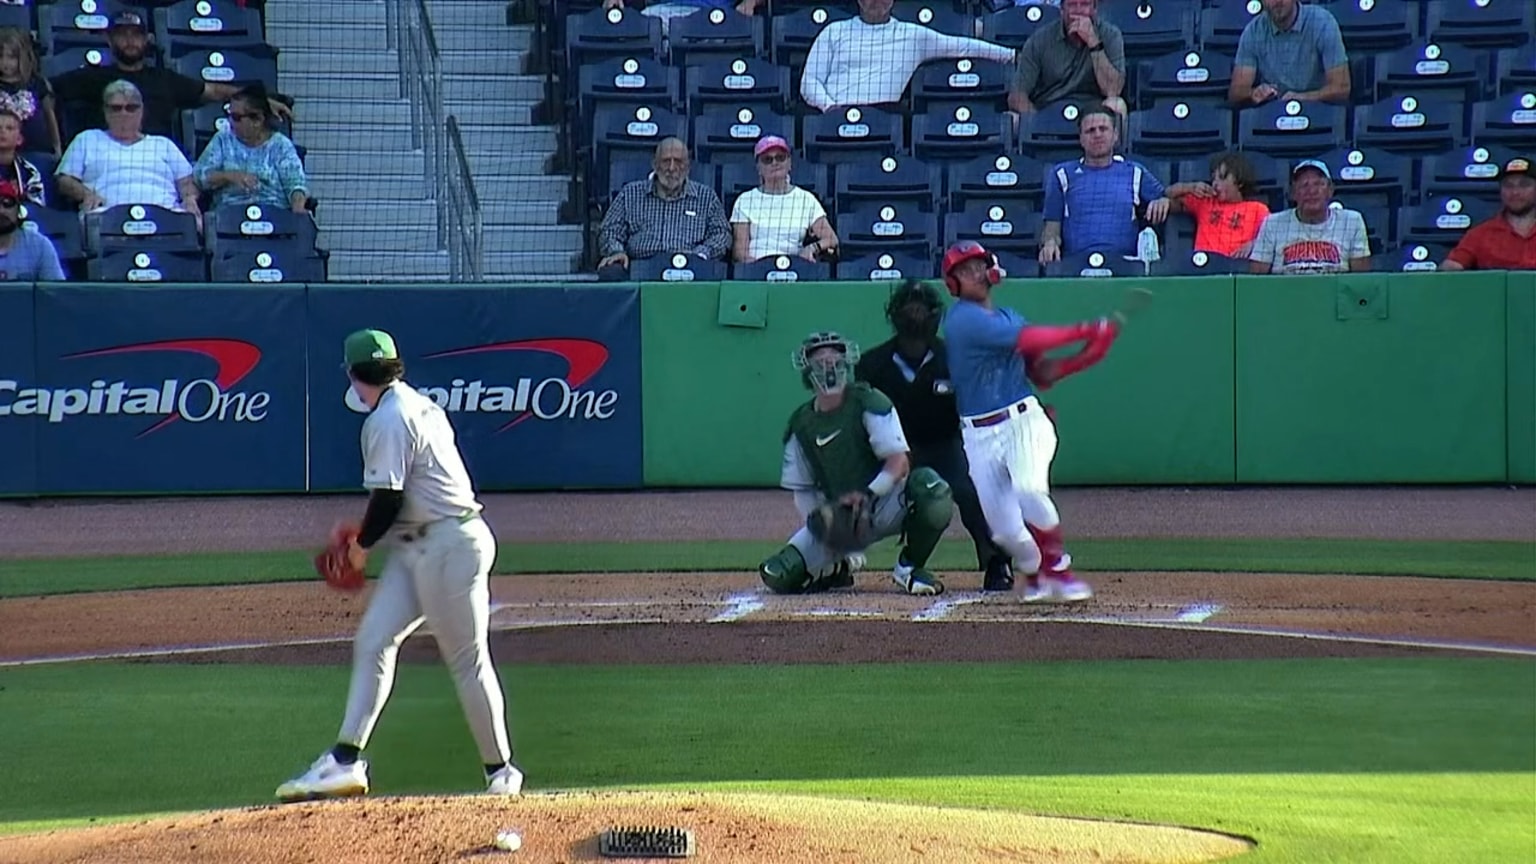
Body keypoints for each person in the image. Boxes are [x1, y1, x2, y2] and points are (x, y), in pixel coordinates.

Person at [276, 329, 523, 803]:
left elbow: (388, 499)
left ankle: (501, 771)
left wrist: (361, 546)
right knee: (374, 640)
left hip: (450, 546)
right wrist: (365, 535)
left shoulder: (388, 419)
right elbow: (403, 498)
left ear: (353, 375)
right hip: (418, 547)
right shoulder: (415, 404)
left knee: (466, 659)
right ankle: (344, 761)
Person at [939, 240, 1120, 603]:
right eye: (965, 270)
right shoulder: (960, 321)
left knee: (1029, 490)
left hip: (1023, 421)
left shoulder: (1010, 317)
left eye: (979, 266)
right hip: (978, 435)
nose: (976, 274)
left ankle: (1059, 569)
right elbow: (1032, 337)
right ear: (953, 283)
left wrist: (1088, 354)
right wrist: (1084, 331)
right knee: (1005, 533)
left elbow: (1043, 373)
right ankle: (1036, 570)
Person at [758, 331, 954, 597]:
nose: (829, 367)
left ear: (845, 363)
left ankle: (909, 567)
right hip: (842, 516)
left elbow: (899, 462)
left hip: (885, 502)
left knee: (933, 491)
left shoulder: (868, 401)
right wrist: (828, 531)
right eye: (820, 361)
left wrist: (867, 495)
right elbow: (803, 490)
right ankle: (836, 570)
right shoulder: (801, 424)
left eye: (834, 360)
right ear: (807, 368)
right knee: (778, 573)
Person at [855, 279, 1015, 592]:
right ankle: (835, 560)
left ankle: (997, 561)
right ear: (895, 314)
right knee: (850, 490)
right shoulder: (872, 365)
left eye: (921, 309)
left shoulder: (956, 360)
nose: (914, 315)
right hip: (891, 452)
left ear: (934, 315)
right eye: (908, 309)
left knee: (975, 487)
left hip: (945, 446)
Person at [800, 0, 1015, 114]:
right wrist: (829, 107)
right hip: (834, 112)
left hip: (883, 116)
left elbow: (963, 47)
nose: (876, 1)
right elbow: (810, 81)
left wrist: (1011, 55)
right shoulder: (833, 31)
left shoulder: (913, 36)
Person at [54, 79, 200, 220]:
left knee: (190, 221)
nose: (123, 114)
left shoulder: (164, 145)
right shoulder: (87, 139)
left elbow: (187, 182)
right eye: (116, 108)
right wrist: (86, 194)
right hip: (106, 213)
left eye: (131, 108)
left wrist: (189, 199)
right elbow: (64, 180)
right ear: (105, 111)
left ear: (141, 111)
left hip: (164, 213)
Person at [1039, 109, 1170, 264]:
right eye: (1090, 131)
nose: (1097, 135)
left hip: (1125, 265)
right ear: (1081, 139)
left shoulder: (1135, 171)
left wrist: (1164, 201)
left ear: (1115, 135)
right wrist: (1050, 242)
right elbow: (1052, 226)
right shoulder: (1061, 174)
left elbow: (1168, 198)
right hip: (1075, 265)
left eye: (1103, 129)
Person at [596, 137, 730, 280]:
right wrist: (617, 251)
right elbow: (609, 230)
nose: (671, 168)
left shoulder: (706, 197)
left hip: (691, 269)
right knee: (610, 272)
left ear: (688, 166)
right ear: (655, 164)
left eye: (678, 161)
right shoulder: (630, 193)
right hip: (640, 268)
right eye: (666, 161)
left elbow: (722, 234)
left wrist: (701, 254)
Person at [193, 83, 310, 213]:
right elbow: (199, 176)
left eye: (236, 117)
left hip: (272, 213)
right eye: (229, 115)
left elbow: (296, 185)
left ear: (257, 120)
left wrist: (298, 208)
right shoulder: (223, 139)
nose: (230, 122)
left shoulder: (280, 145)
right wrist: (228, 176)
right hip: (230, 214)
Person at [1007, 0, 1128, 120]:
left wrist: (1093, 43)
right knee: (1012, 118)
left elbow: (1113, 90)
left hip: (1093, 114)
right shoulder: (1039, 40)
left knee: (1117, 105)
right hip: (1048, 110)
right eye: (1072, 4)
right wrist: (1037, 120)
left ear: (1095, 9)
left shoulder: (1111, 35)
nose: (1078, 11)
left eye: (1085, 4)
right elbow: (1017, 96)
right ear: (1061, 10)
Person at [1249, 159, 1370, 274]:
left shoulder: (1352, 221)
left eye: (1318, 184)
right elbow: (1256, 278)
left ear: (1330, 190)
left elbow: (1361, 279)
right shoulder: (1273, 224)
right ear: (1293, 193)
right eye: (1304, 185)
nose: (1311, 191)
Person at [729, 135, 837, 264]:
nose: (775, 163)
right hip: (756, 266)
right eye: (767, 160)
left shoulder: (806, 199)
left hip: (794, 266)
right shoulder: (745, 200)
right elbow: (740, 252)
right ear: (758, 168)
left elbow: (831, 239)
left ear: (789, 163)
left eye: (780, 158)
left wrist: (812, 248)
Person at [1229, 0, 1350, 108]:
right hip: (1272, 113)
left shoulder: (1323, 22)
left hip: (1318, 110)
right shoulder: (1253, 31)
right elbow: (1236, 92)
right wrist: (1254, 93)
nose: (1278, 1)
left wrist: (1302, 98)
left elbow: (1342, 87)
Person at [1166, 151, 1273, 259]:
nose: (1215, 184)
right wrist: (1191, 187)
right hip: (1206, 263)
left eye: (1222, 178)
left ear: (1239, 182)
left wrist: (1253, 244)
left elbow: (1273, 238)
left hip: (1238, 264)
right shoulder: (1205, 201)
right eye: (1213, 179)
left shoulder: (1258, 209)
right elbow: (1168, 193)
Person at [1441, 156, 1536, 272]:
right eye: (1508, 185)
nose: (1515, 192)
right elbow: (1452, 266)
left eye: (1524, 185)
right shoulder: (1479, 235)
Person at [0, 179, 65, 281]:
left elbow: (56, 289)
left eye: (7, 203)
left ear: (18, 210)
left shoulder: (39, 245)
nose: (1, 211)